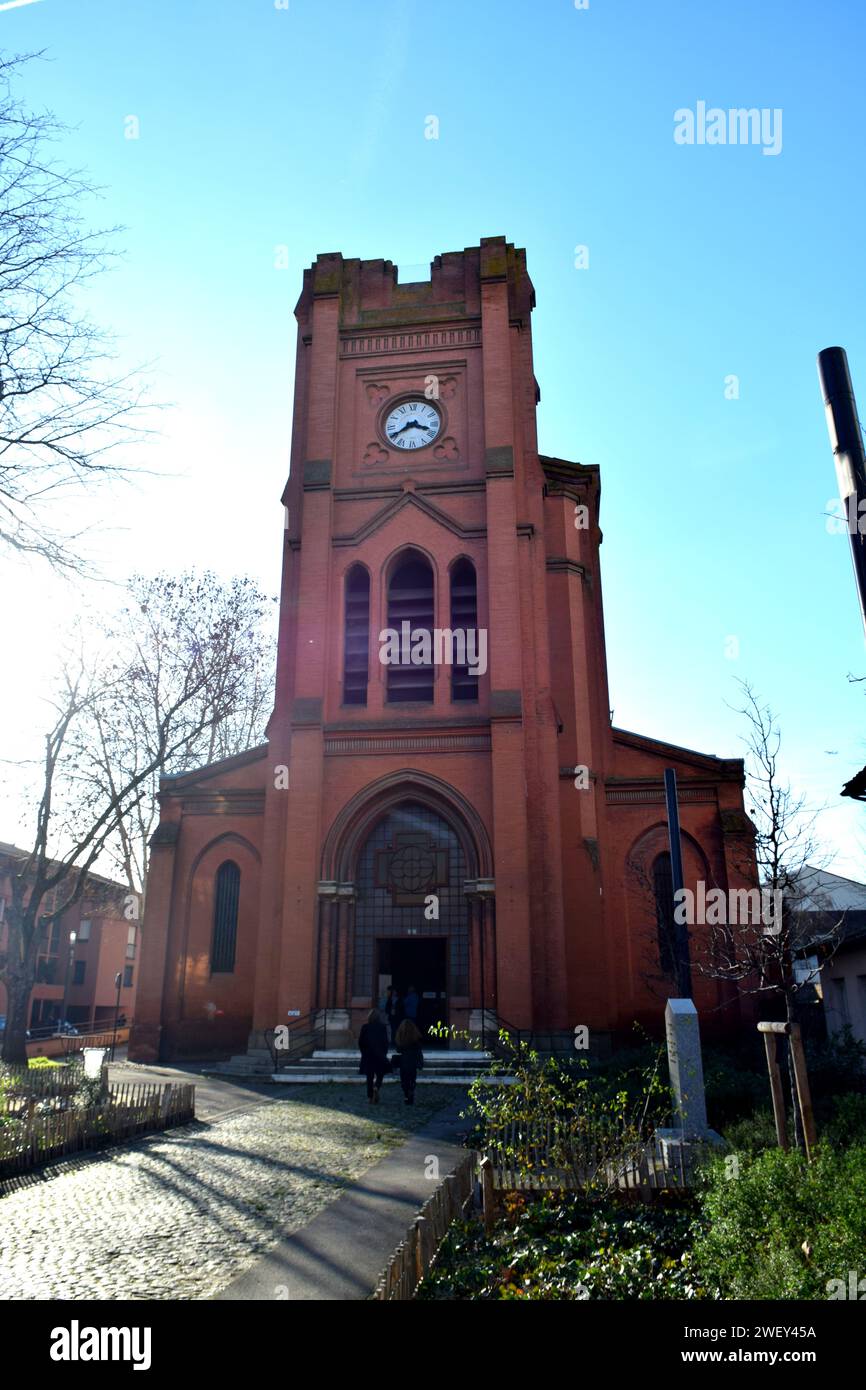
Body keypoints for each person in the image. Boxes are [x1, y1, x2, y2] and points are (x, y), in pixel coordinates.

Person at [358, 1008, 390, 1103]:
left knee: (369, 1076)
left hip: (368, 1055)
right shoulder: (382, 1027)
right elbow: (385, 1042)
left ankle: (370, 1096)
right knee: (380, 1073)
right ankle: (376, 1086)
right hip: (379, 1054)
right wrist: (384, 1053)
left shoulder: (365, 1027)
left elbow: (361, 1042)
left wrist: (364, 1052)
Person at [394, 1018, 424, 1105]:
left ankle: (406, 1095)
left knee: (404, 1080)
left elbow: (398, 1050)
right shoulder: (416, 1036)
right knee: (412, 1078)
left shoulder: (401, 1036)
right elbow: (419, 1047)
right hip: (413, 1061)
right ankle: (411, 1091)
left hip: (404, 1061)